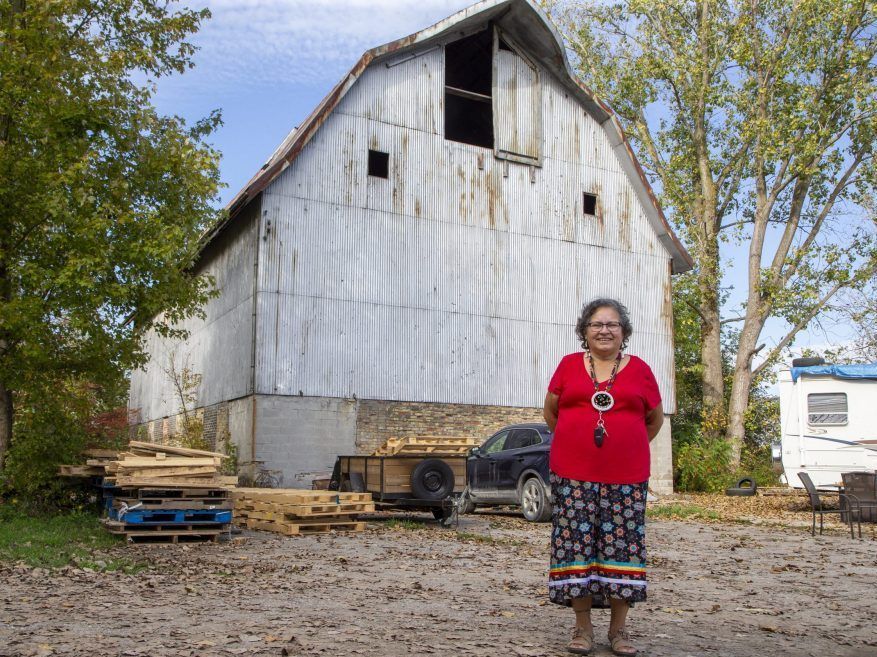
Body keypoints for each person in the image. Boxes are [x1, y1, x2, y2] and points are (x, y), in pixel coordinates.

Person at [543, 298, 664, 656]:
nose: (604, 330)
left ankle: (619, 631)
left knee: (622, 548)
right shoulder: (568, 365)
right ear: (585, 330)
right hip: (572, 475)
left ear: (624, 332)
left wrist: (625, 446)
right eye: (597, 324)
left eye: (612, 324)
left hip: (626, 478)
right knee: (575, 548)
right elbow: (551, 412)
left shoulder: (640, 370)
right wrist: (575, 442)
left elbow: (654, 420)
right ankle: (582, 629)